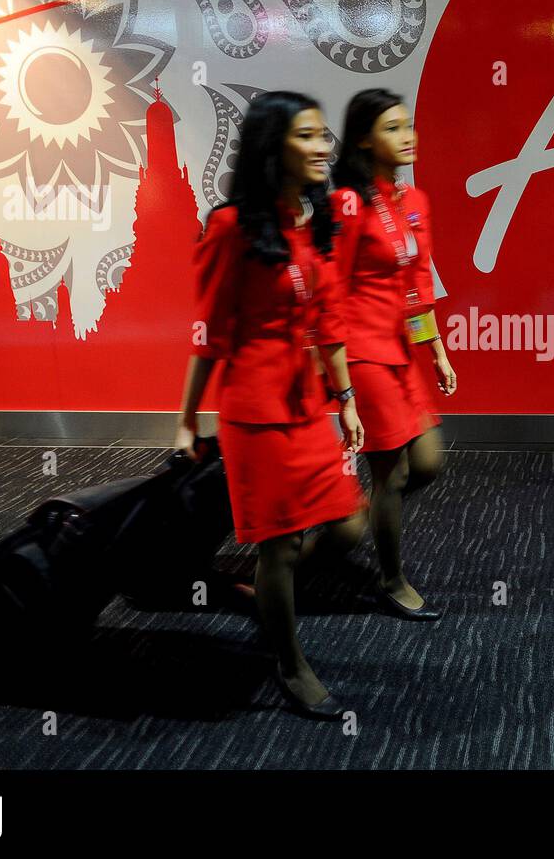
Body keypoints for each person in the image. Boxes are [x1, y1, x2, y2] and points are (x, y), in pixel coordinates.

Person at [175, 90, 367, 721]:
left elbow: (329, 320)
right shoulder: (232, 227)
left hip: (310, 402)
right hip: (254, 410)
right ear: (271, 146)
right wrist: (187, 418)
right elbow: (210, 330)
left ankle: (267, 594)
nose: (322, 148)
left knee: (346, 526)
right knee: (282, 543)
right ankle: (289, 661)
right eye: (306, 137)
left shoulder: (314, 220)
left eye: (323, 137)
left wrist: (344, 398)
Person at [329, 88, 456, 621]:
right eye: (392, 128)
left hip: (401, 351)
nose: (408, 136)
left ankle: (341, 530)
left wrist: (439, 353)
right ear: (364, 139)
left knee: (427, 463)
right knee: (394, 473)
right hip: (362, 352)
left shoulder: (415, 202)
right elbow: (328, 290)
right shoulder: (348, 203)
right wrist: (339, 382)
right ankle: (391, 578)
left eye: (409, 125)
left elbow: (416, 289)